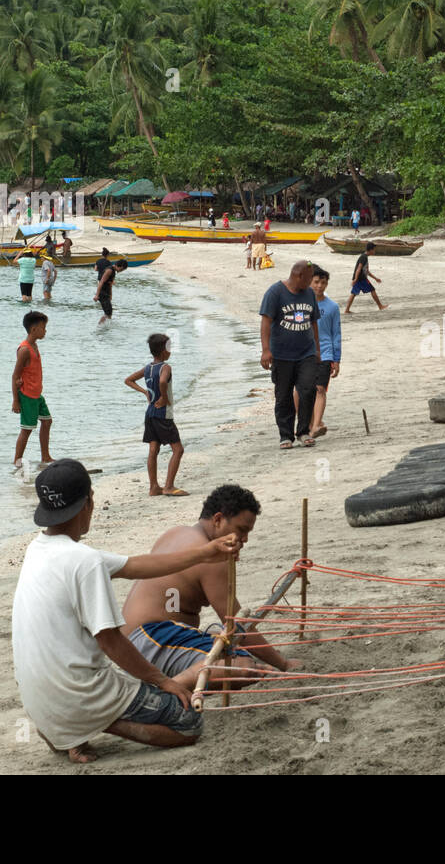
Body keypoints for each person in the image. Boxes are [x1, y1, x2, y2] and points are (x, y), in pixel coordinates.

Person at [12, 459, 242, 763]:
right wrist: (162, 680)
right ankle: (101, 721)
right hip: (82, 696)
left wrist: (205, 552)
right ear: (88, 502)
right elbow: (111, 641)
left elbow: (136, 566)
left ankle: (66, 727)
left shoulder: (39, 550)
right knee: (189, 723)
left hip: (41, 703)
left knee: (108, 692)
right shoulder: (85, 562)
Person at [121, 485, 301, 687]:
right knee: (241, 665)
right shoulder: (211, 558)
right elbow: (234, 625)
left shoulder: (175, 532)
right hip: (150, 640)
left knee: (229, 651)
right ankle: (169, 689)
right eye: (241, 530)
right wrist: (282, 663)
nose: (245, 539)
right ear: (217, 520)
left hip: (129, 642)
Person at [259, 259, 321, 449]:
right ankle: (285, 435)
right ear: (298, 276)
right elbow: (266, 322)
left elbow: (313, 322)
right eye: (309, 278)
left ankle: (303, 431)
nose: (311, 283)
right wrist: (265, 350)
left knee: (308, 389)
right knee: (283, 396)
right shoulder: (275, 293)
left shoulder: (309, 294)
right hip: (282, 355)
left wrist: (317, 349)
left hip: (306, 353)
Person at [125, 333, 186, 497]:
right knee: (178, 450)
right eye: (169, 347)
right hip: (162, 415)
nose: (170, 350)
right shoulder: (166, 367)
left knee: (153, 449)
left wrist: (145, 392)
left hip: (150, 414)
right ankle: (168, 486)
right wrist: (165, 398)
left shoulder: (148, 368)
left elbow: (128, 380)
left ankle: (153, 487)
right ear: (163, 350)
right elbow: (162, 381)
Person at [299, 264, 340, 439]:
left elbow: (336, 333)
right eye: (316, 282)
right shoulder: (301, 305)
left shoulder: (332, 307)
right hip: (304, 353)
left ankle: (316, 425)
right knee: (303, 391)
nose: (319, 286)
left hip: (325, 353)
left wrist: (336, 359)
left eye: (323, 283)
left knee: (320, 389)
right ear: (309, 283)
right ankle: (308, 423)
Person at [12, 310, 54, 469]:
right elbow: (15, 376)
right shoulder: (24, 350)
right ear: (34, 329)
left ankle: (45, 456)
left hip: (37, 394)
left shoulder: (34, 346)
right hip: (27, 395)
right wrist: (16, 400)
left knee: (47, 421)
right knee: (27, 430)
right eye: (43, 327)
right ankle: (17, 461)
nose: (45, 331)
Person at [343, 242, 387, 313]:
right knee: (372, 290)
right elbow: (359, 268)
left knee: (353, 293)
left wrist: (375, 278)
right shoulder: (363, 257)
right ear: (370, 250)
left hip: (359, 278)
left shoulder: (365, 257)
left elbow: (367, 271)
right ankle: (380, 306)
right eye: (374, 249)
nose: (374, 251)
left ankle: (347, 310)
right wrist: (356, 279)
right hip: (361, 279)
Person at [95, 258, 127, 325]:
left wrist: (110, 295)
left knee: (109, 313)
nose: (121, 271)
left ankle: (104, 328)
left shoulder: (113, 271)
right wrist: (97, 295)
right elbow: (101, 282)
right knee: (108, 313)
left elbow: (110, 284)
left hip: (106, 293)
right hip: (102, 293)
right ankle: (100, 327)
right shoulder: (109, 270)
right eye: (121, 269)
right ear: (119, 266)